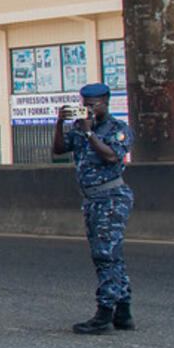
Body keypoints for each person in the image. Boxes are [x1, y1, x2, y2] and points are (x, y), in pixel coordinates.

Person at [53, 82, 136, 334]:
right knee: (112, 256)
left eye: (93, 105)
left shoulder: (118, 129)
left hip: (111, 197)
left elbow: (111, 156)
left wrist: (90, 133)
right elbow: (58, 150)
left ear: (106, 102)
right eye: (85, 105)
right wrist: (59, 124)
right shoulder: (79, 129)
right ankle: (123, 311)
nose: (88, 109)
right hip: (92, 200)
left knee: (105, 256)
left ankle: (104, 313)